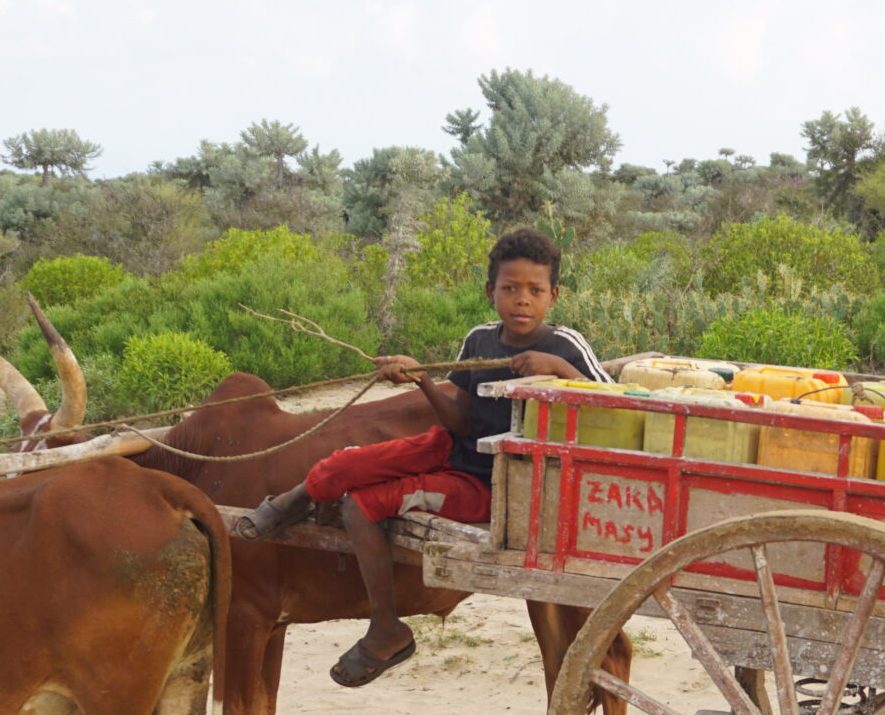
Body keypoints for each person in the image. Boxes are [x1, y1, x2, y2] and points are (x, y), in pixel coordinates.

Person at [233, 227, 606, 687]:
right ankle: (292, 502)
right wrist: (422, 381)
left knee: (360, 504)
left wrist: (559, 370)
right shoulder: (480, 340)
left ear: (554, 295)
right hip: (454, 448)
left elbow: (616, 402)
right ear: (491, 292)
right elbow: (461, 422)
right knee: (345, 464)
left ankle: (384, 629)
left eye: (535, 290)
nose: (522, 300)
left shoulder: (565, 345)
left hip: (495, 484)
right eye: (510, 289)